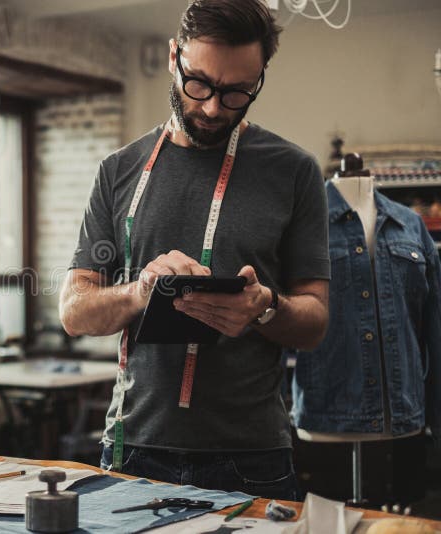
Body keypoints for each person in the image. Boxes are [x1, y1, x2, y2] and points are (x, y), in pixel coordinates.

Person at [59, 0, 330, 500]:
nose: (211, 108)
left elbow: (315, 321)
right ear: (173, 57)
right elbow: (74, 312)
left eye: (236, 92)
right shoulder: (117, 172)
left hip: (253, 457)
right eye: (199, 84)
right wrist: (140, 292)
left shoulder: (294, 172)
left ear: (260, 78)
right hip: (133, 450)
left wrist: (264, 307)